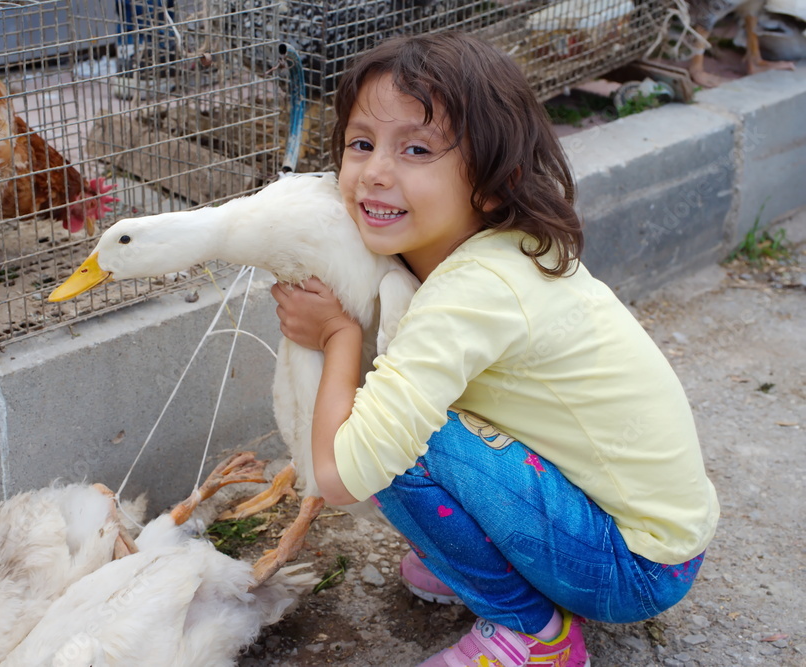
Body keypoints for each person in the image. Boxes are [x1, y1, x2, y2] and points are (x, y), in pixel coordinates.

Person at [270, 30, 719, 667]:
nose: (374, 171)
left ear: (490, 182)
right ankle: (487, 562)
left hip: (635, 567)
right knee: (404, 412)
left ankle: (536, 634)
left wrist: (338, 337)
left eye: (416, 148)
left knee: (395, 436)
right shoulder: (485, 252)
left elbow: (340, 476)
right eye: (361, 143)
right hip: (649, 534)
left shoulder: (474, 291)